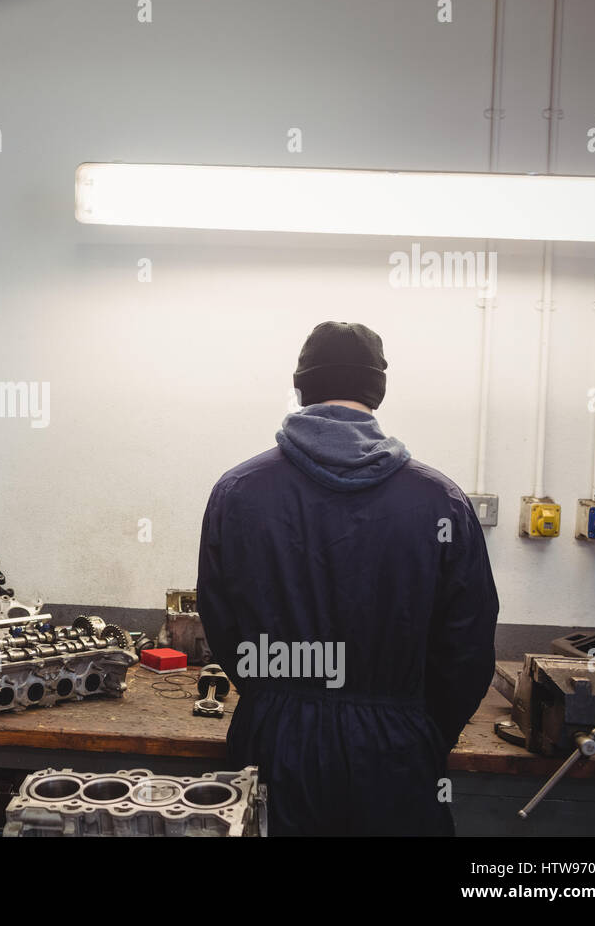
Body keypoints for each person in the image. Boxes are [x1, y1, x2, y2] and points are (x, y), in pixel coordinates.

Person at [196, 321, 499, 835]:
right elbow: (467, 647)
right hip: (396, 750)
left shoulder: (238, 491)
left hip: (276, 739)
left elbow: (222, 623)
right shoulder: (440, 500)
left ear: (301, 387)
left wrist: (276, 699)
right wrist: (420, 729)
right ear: (377, 391)